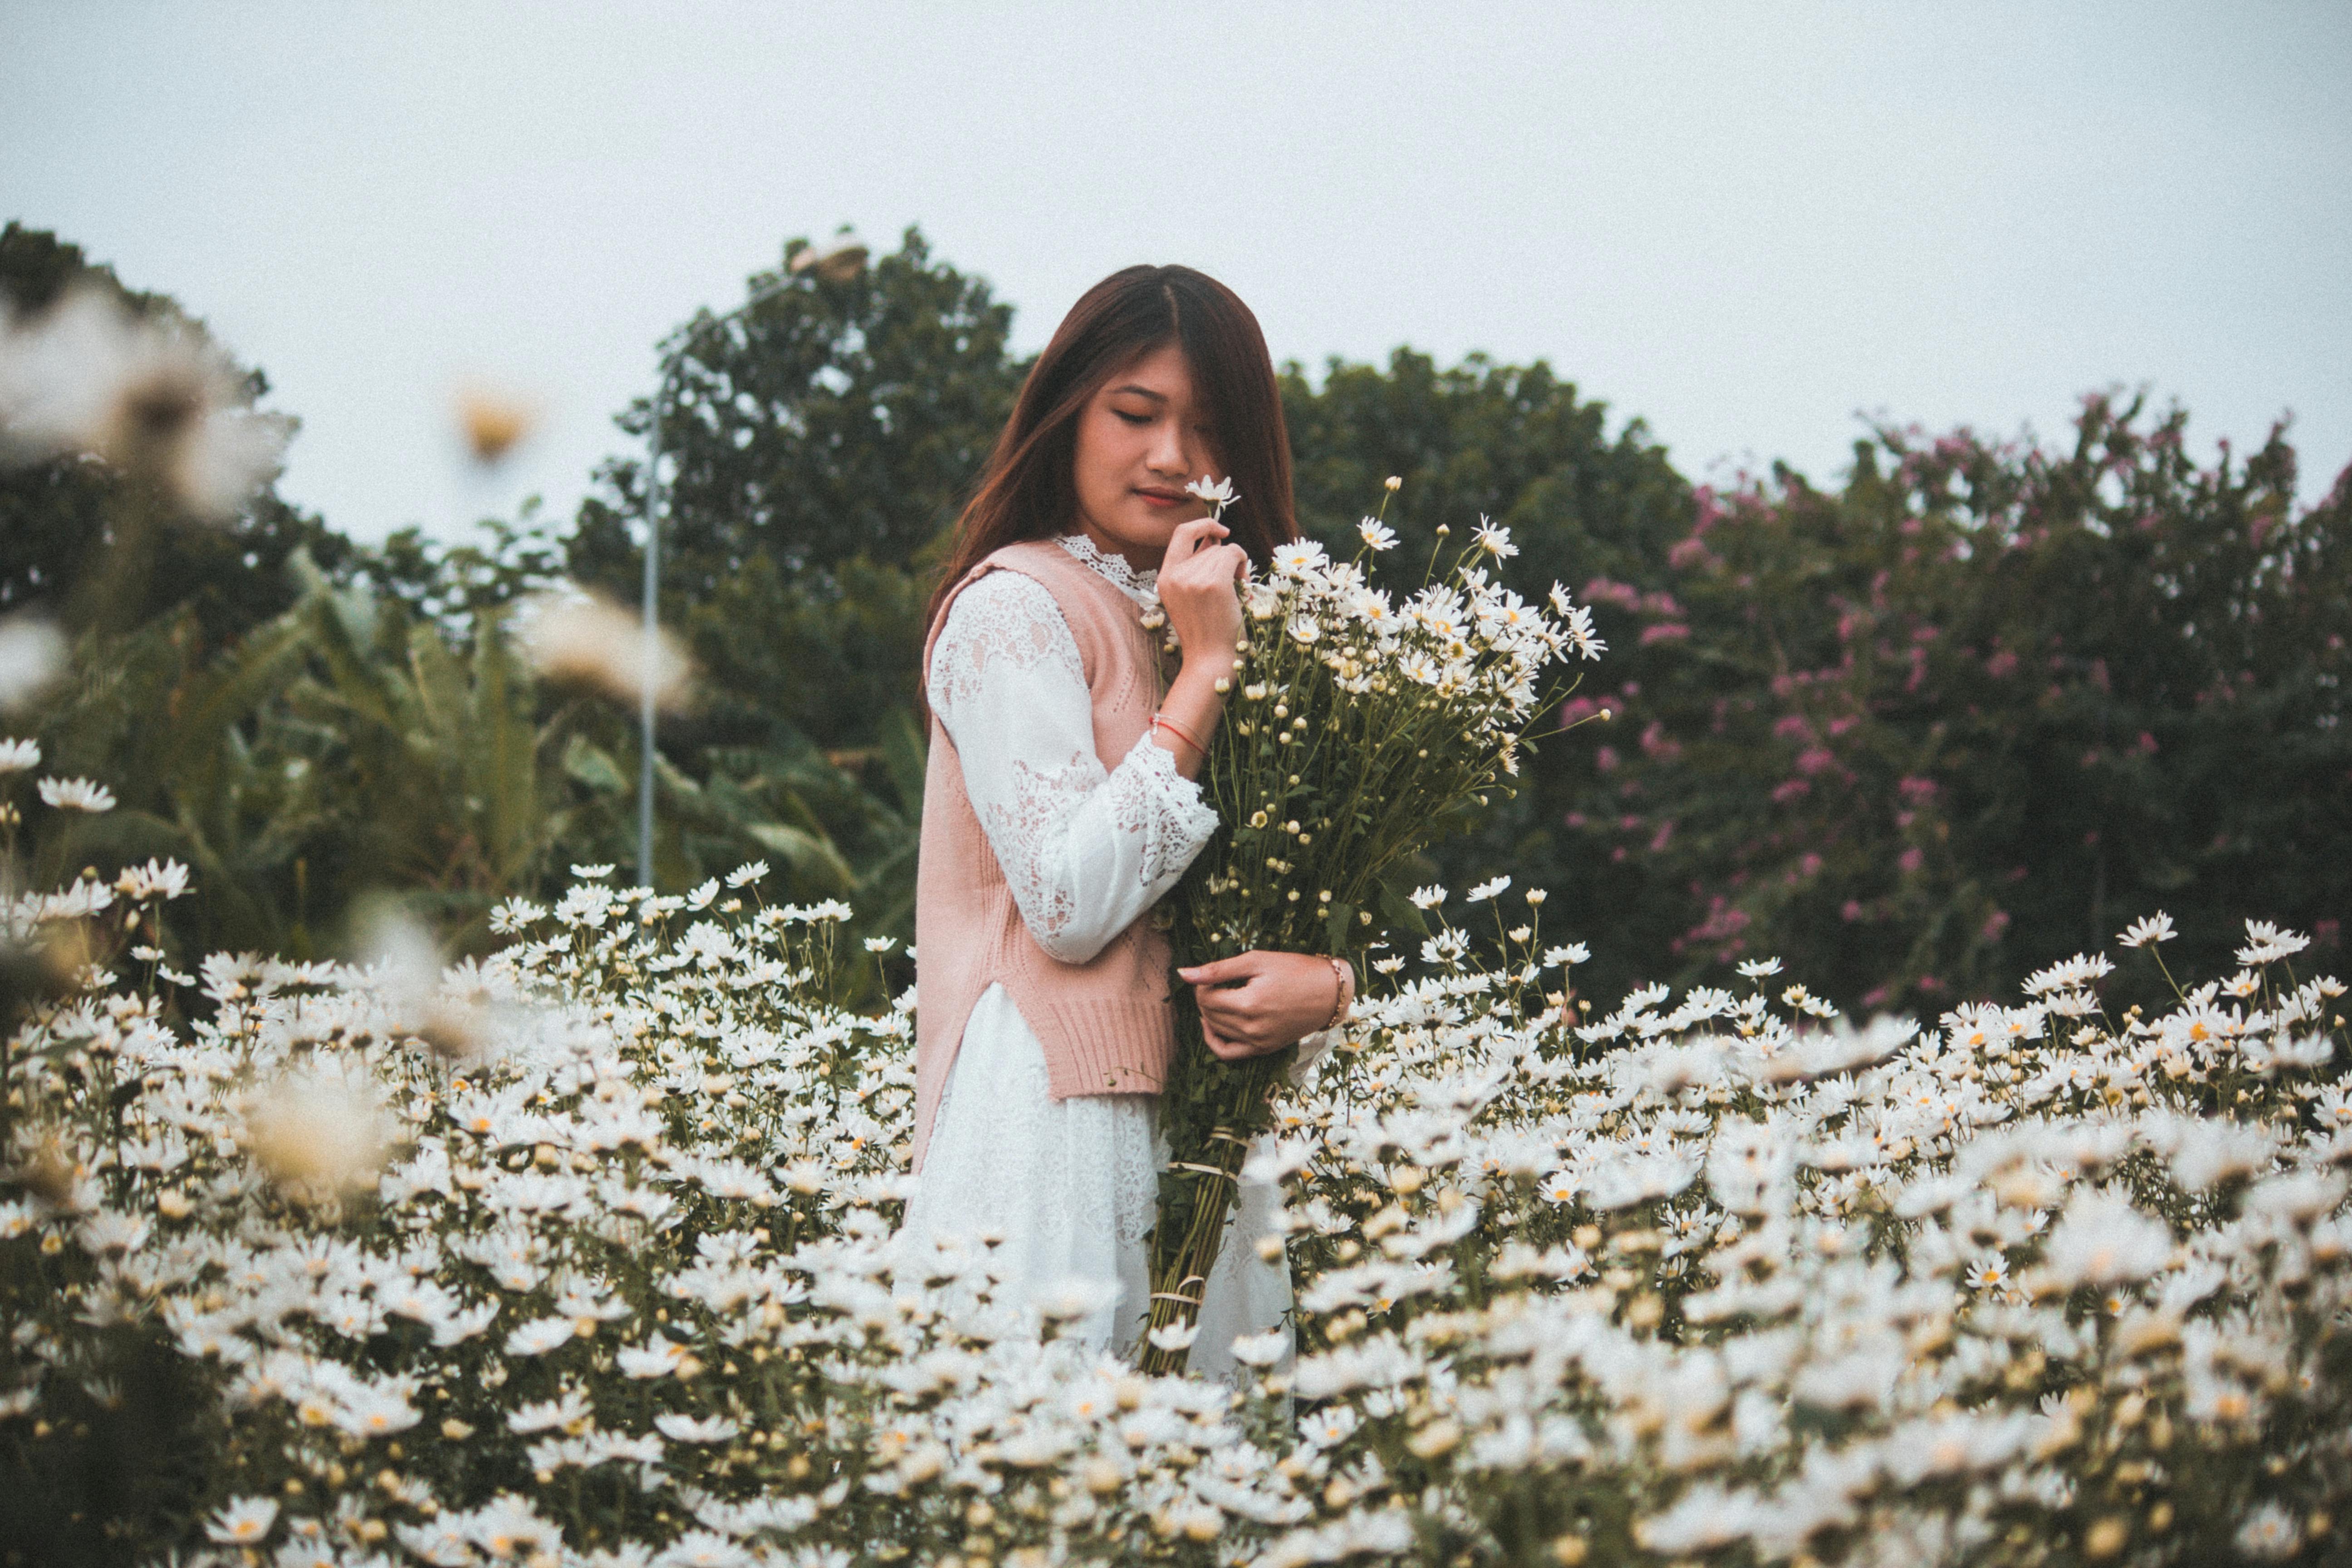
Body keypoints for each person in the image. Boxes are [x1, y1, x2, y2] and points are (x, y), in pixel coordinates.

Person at [894, 265, 1352, 1376]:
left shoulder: (1253, 625)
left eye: (1209, 428)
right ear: (1066, 414)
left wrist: (1332, 988)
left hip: (1209, 1135)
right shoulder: (1017, 610)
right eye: (1135, 414)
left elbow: (1313, 891)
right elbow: (1066, 904)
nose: (1173, 459)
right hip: (1057, 1121)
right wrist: (1204, 676)